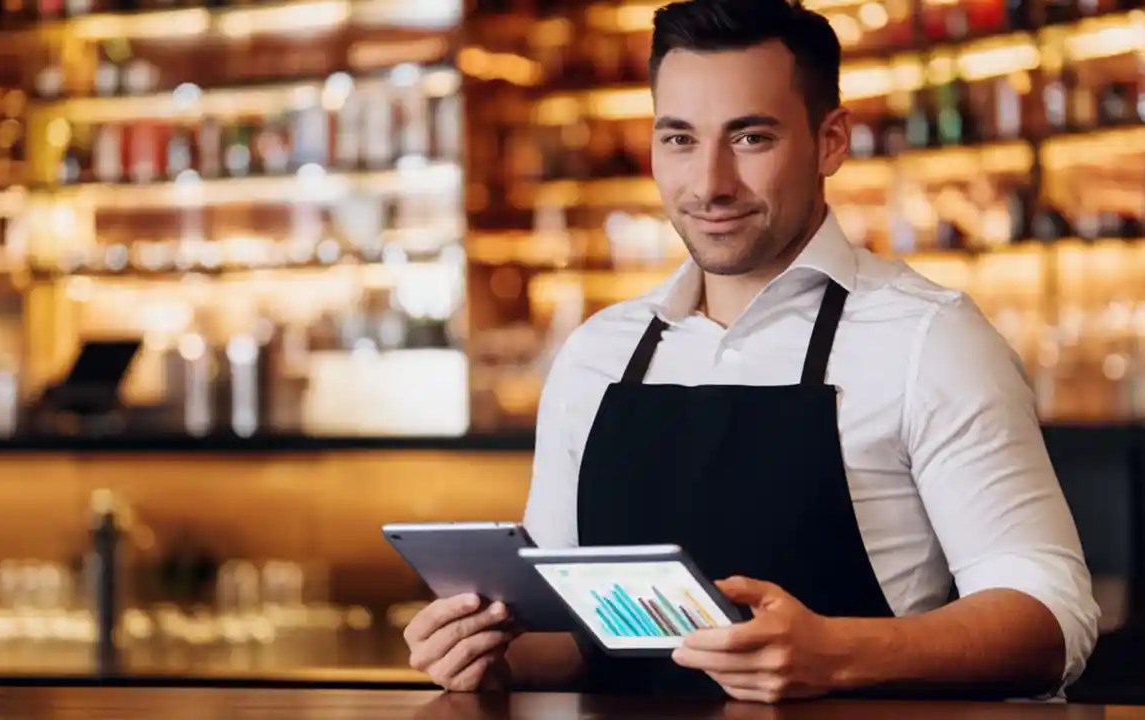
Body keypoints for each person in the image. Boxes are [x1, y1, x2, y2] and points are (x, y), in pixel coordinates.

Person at [402, 0, 1099, 702]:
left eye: (750, 139)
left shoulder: (931, 339)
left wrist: (837, 654)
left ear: (830, 142)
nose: (709, 184)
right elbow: (576, 638)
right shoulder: (596, 357)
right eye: (679, 140)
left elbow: (1048, 620)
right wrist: (490, 657)